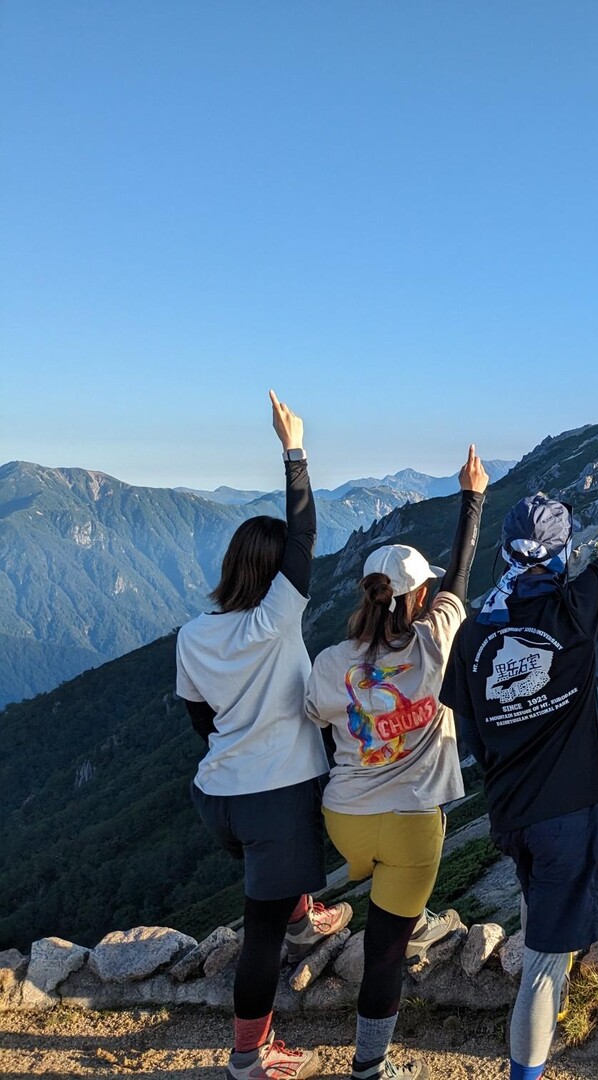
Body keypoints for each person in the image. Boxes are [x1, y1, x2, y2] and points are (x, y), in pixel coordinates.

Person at [441, 385, 598, 1080]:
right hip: (568, 814)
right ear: (558, 555)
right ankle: (526, 1072)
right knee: (545, 967)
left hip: (511, 814)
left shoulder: (473, 633)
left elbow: (466, 729)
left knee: (539, 930)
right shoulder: (579, 608)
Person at [177, 391, 351, 1080]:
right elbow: (304, 537)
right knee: (260, 936)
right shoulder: (276, 620)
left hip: (217, 795)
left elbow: (201, 720)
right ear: (272, 574)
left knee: (277, 895)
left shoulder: (193, 634)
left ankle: (306, 912)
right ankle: (249, 1056)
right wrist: (295, 447)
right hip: (276, 800)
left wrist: (240, 742)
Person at [304, 446, 487, 1080]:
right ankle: (369, 1066)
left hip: (344, 818)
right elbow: (460, 580)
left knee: (379, 893)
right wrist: (473, 498)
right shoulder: (437, 640)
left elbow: (316, 717)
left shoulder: (332, 662)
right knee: (384, 950)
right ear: (421, 595)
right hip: (412, 825)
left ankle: (369, 908)